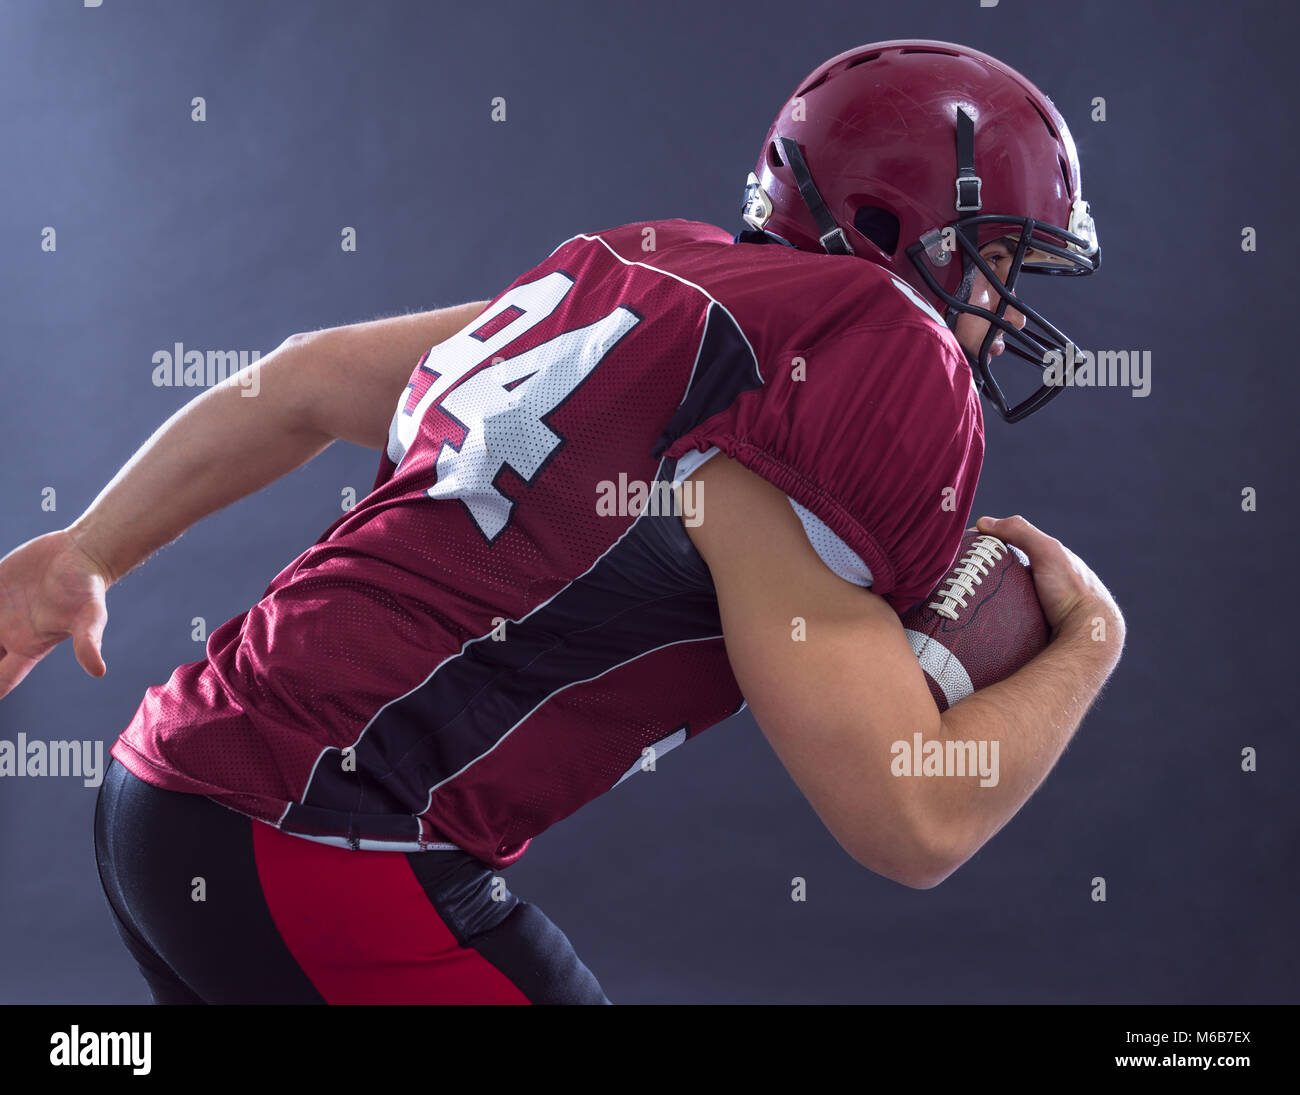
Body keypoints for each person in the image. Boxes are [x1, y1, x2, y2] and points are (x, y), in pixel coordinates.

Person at [0, 40, 1124, 1004]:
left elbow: (297, 382)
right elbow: (909, 820)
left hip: (163, 784)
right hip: (319, 836)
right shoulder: (852, 360)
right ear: (903, 229)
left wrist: (88, 549)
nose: (1004, 311)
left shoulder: (640, 271)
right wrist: (1087, 648)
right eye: (1000, 265)